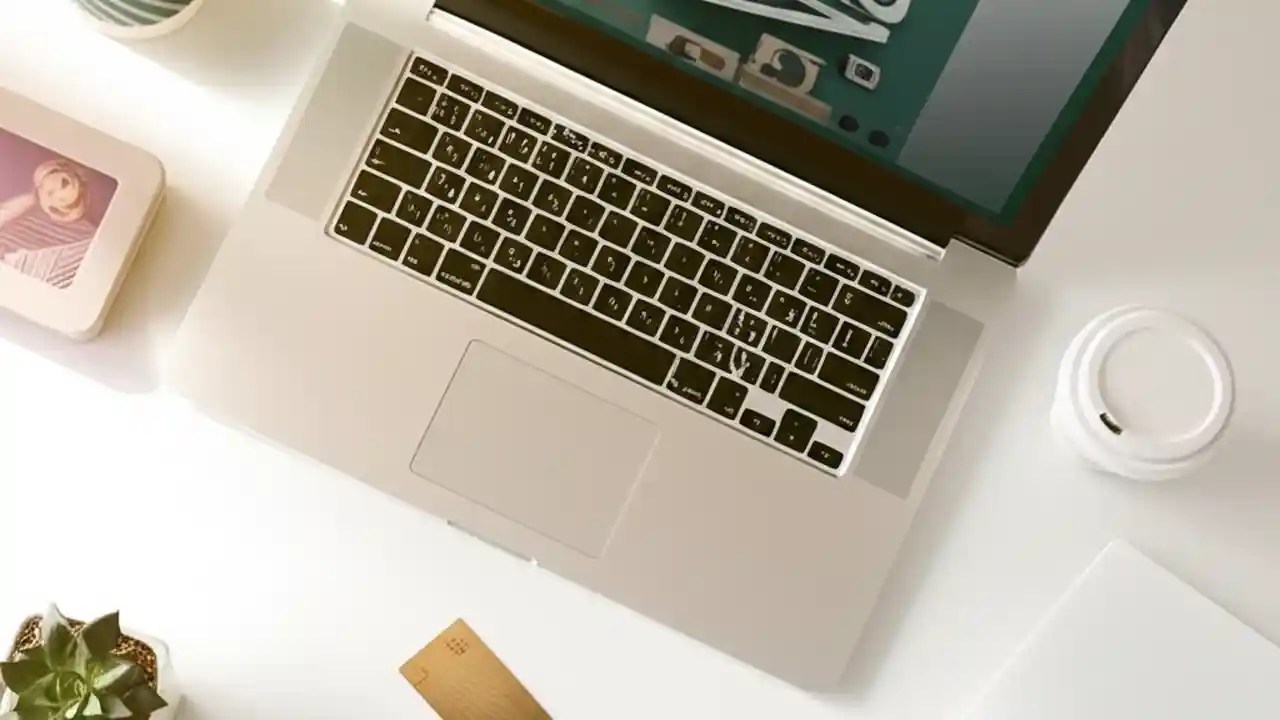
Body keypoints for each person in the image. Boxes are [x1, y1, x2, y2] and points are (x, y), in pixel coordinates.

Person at [0, 159, 98, 289]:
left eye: (64, 184)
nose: (56, 192)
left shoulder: (89, 238)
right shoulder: (22, 207)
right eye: (46, 190)